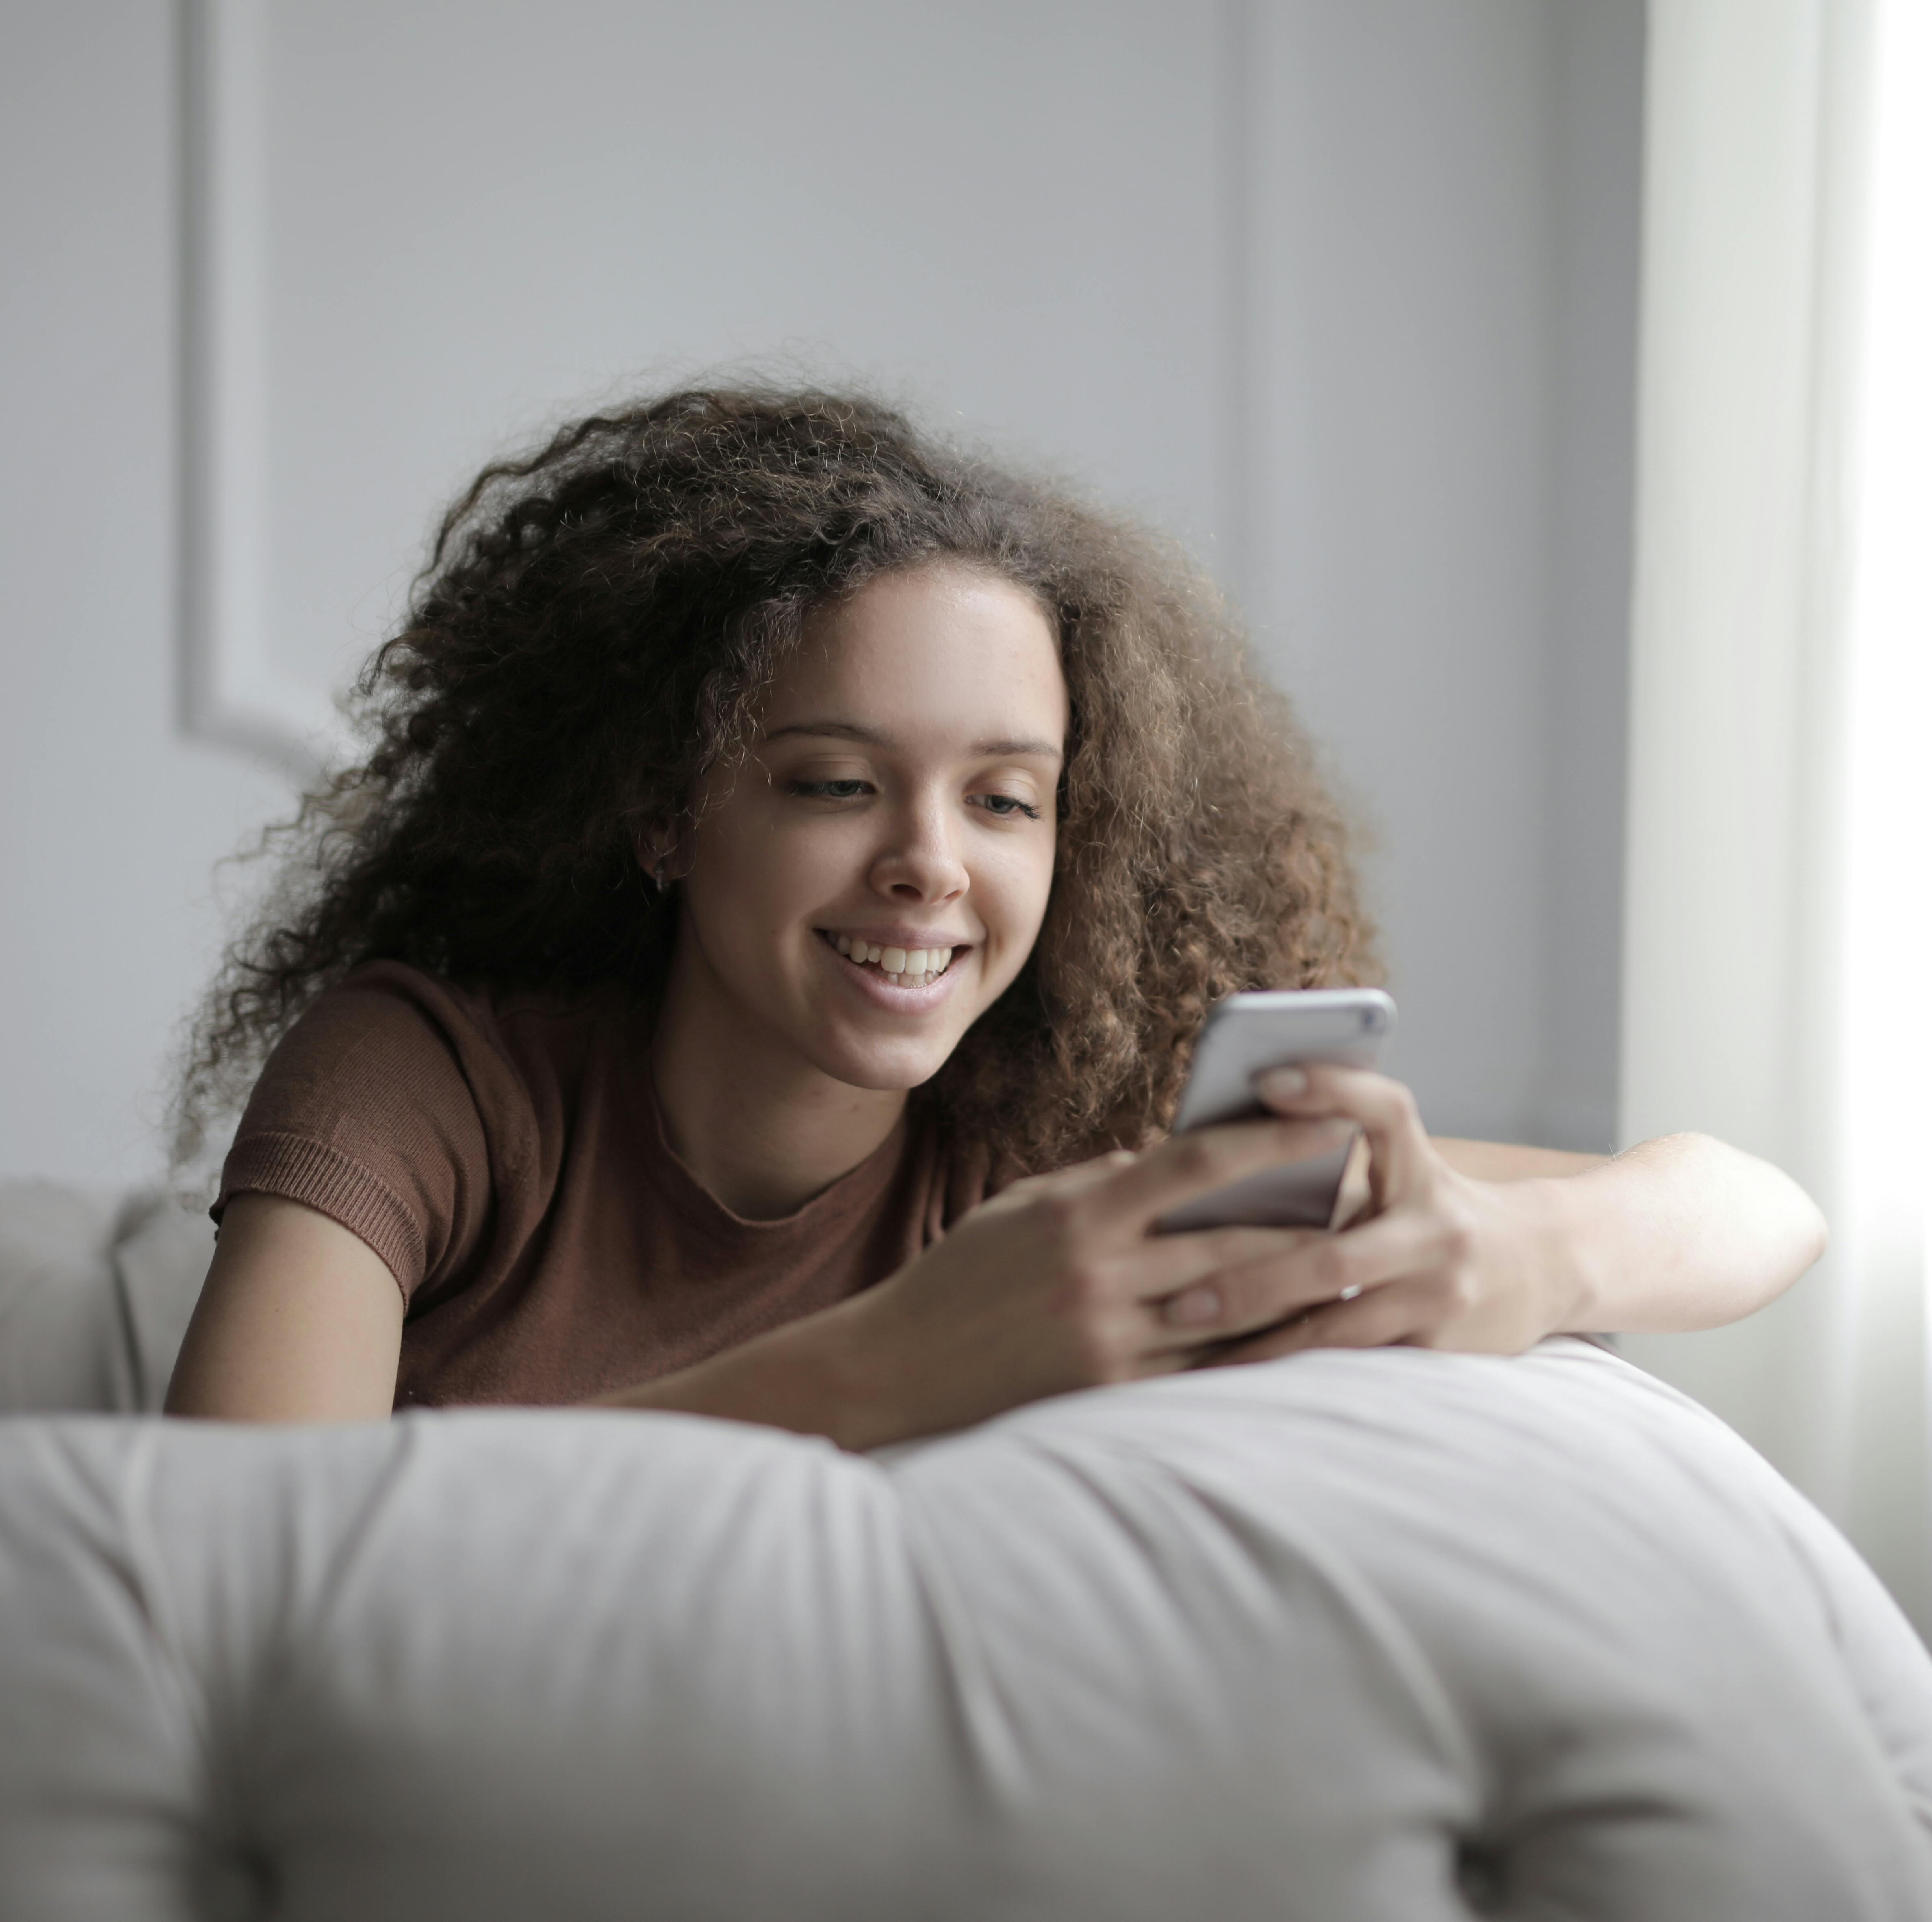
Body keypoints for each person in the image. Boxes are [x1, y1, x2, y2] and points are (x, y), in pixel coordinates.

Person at [165, 387, 1824, 1443]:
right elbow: (239, 1561)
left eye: (1006, 796)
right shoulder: (426, 1080)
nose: (931, 864)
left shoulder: (1052, 1133)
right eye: (834, 782)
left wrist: (1521, 1253)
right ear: (667, 812)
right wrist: (899, 1362)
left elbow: (1756, 1212)